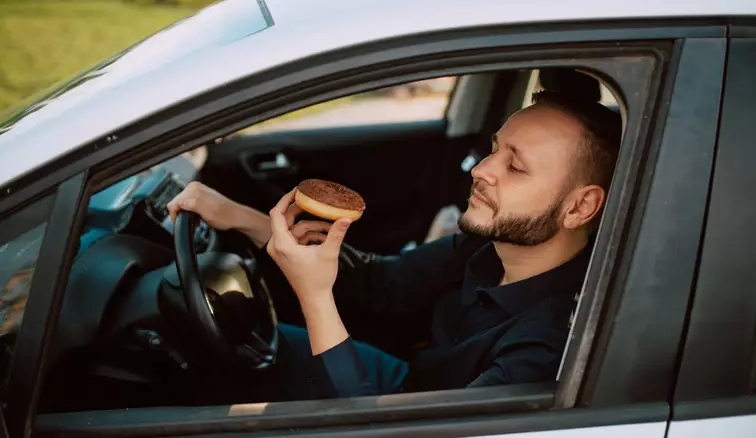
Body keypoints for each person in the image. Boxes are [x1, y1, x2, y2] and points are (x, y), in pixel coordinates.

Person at [167, 90, 622, 400]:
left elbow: (378, 429)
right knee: (212, 338)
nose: (481, 170)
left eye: (515, 167)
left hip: (399, 414)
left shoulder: (547, 347)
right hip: (409, 384)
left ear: (579, 208)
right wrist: (239, 217)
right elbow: (384, 283)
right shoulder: (487, 246)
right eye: (494, 149)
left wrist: (315, 295)